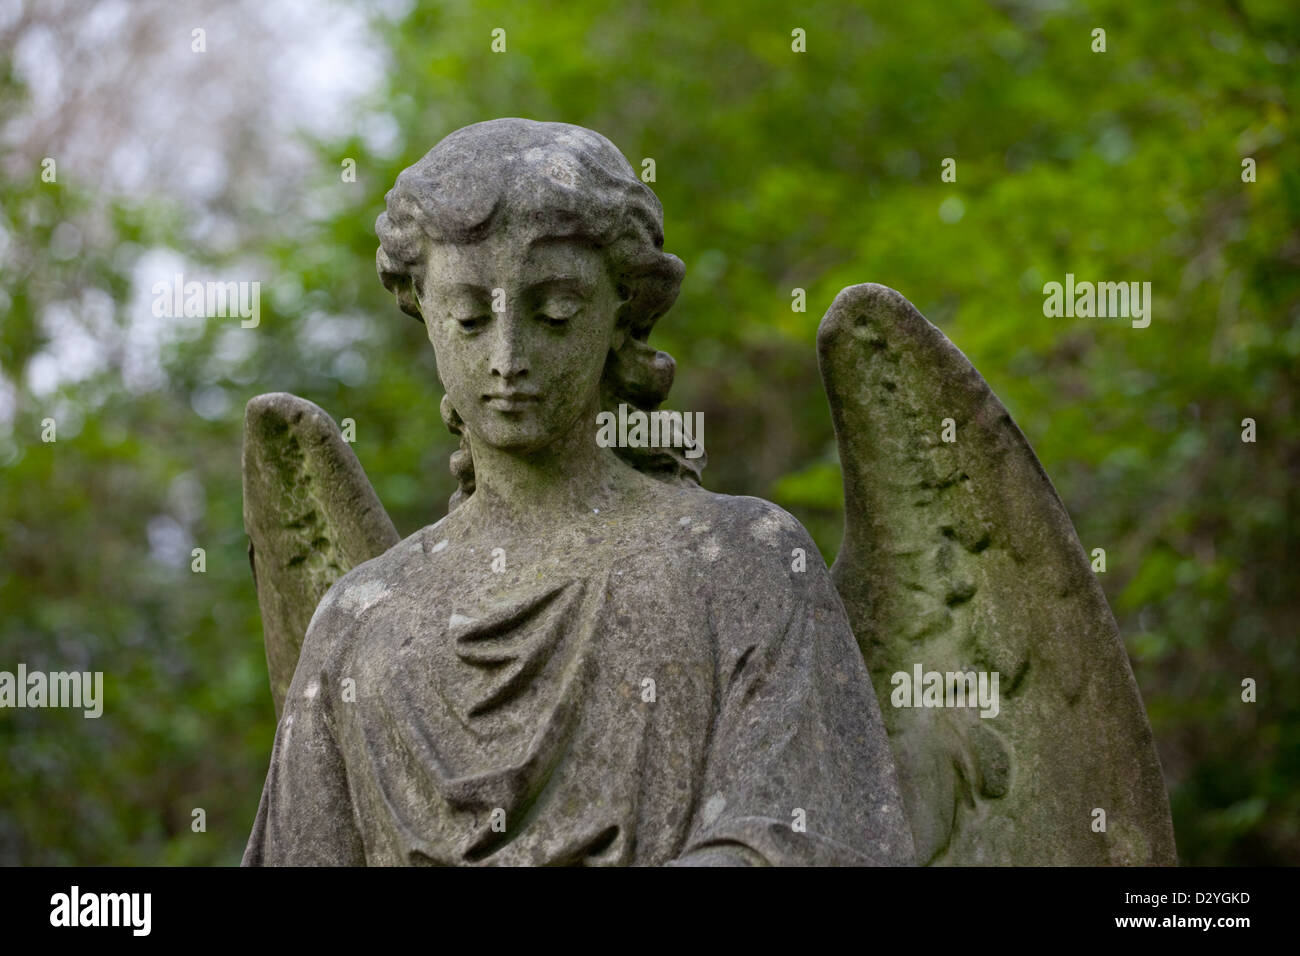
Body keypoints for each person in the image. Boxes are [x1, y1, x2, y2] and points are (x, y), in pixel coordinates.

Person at [242, 118, 913, 866]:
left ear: (621, 314)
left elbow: (809, 840)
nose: (507, 358)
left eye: (555, 313)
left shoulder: (741, 564)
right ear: (423, 314)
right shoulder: (358, 624)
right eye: (468, 318)